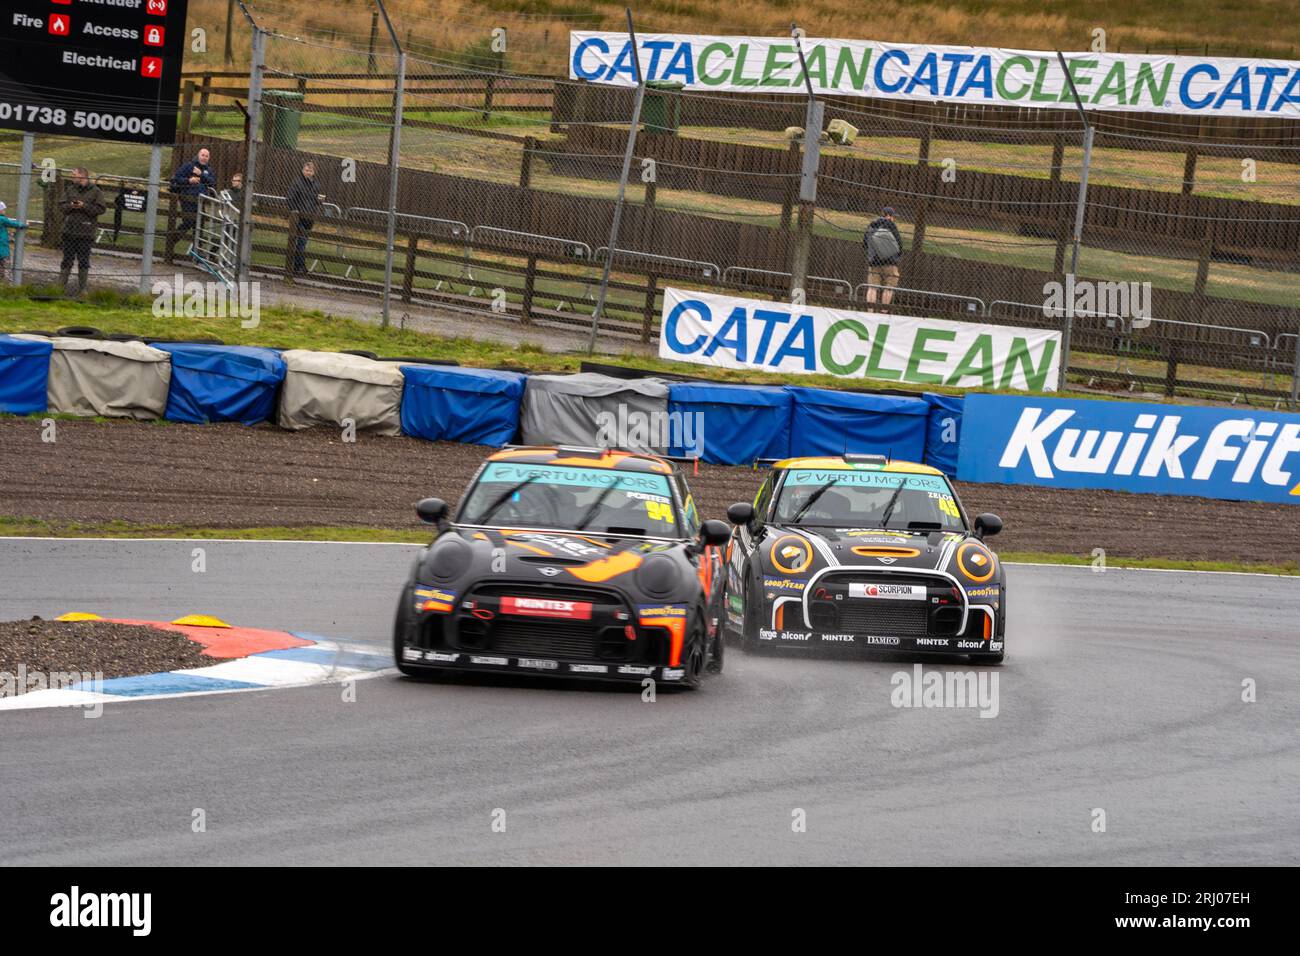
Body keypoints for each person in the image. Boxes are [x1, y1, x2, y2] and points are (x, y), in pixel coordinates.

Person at [58, 168, 106, 297]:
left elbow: (101, 209)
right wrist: (71, 206)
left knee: (84, 260)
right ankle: (59, 288)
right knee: (66, 259)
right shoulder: (70, 189)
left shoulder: (96, 192)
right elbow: (61, 206)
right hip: (69, 231)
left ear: (82, 176)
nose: (72, 177)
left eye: (74, 175)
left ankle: (83, 289)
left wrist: (84, 206)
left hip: (86, 233)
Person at [168, 146, 215, 259]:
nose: (204, 158)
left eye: (206, 156)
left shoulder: (208, 170)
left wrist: (201, 174)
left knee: (200, 224)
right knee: (189, 221)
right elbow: (176, 178)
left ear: (209, 158)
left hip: (201, 201)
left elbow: (212, 183)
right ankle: (171, 240)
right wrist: (189, 180)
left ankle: (196, 251)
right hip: (187, 198)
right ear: (198, 155)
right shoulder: (188, 166)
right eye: (202, 155)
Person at [286, 161, 324, 277]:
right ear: (303, 170)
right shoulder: (297, 183)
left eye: (310, 171)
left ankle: (297, 266)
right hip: (298, 217)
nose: (308, 172)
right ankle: (299, 267)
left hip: (310, 218)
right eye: (306, 170)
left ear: (313, 172)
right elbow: (290, 198)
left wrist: (320, 201)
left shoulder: (316, 184)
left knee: (302, 242)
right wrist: (295, 212)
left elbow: (315, 201)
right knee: (300, 242)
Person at [863, 206, 904, 311]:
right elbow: (899, 244)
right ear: (889, 216)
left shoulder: (872, 225)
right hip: (890, 262)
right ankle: (883, 312)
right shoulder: (891, 225)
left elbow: (865, 244)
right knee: (888, 288)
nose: (894, 218)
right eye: (893, 216)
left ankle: (870, 311)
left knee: (872, 287)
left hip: (874, 262)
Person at [0, 201, 27, 282]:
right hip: (3, 248)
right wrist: (24, 225)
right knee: (6, 265)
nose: (5, 211)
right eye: (3, 210)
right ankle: (8, 283)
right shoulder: (2, 219)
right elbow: (13, 223)